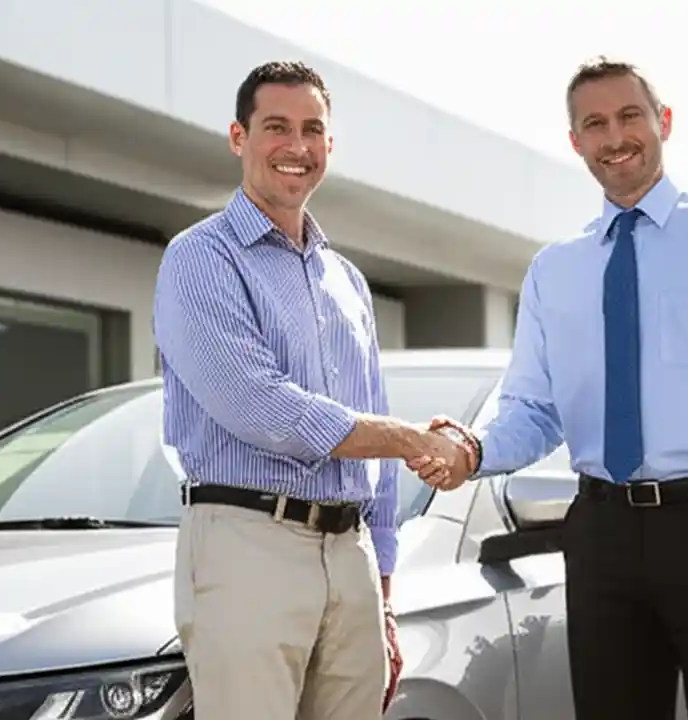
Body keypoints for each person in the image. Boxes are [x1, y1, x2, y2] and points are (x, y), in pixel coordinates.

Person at [412, 56, 688, 719]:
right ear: (576, 141)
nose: (615, 137)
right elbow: (534, 410)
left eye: (630, 116)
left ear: (663, 121)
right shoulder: (555, 270)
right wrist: (471, 452)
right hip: (603, 535)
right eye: (595, 124)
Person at [153, 61, 475, 720]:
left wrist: (382, 592)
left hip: (350, 555)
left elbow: (376, 448)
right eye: (276, 127)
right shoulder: (201, 258)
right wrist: (409, 438)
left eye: (312, 130)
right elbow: (260, 406)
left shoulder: (347, 282)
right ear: (238, 137)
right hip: (248, 547)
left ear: (329, 145)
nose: (296, 147)